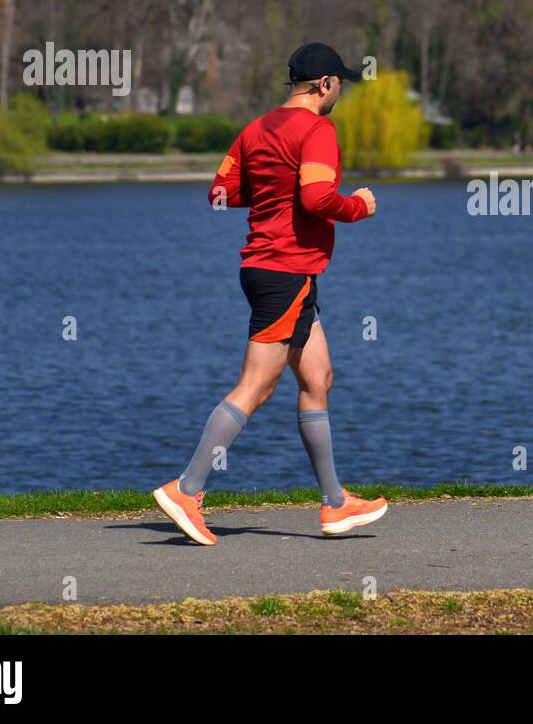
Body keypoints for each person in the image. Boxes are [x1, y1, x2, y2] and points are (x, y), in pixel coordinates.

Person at [152, 42, 388, 545]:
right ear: (325, 85)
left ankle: (335, 505)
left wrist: (270, 187)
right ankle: (186, 489)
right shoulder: (318, 130)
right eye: (338, 83)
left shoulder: (256, 129)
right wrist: (358, 207)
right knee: (256, 386)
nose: (339, 90)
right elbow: (317, 197)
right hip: (285, 270)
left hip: (277, 271)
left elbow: (220, 192)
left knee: (318, 377)